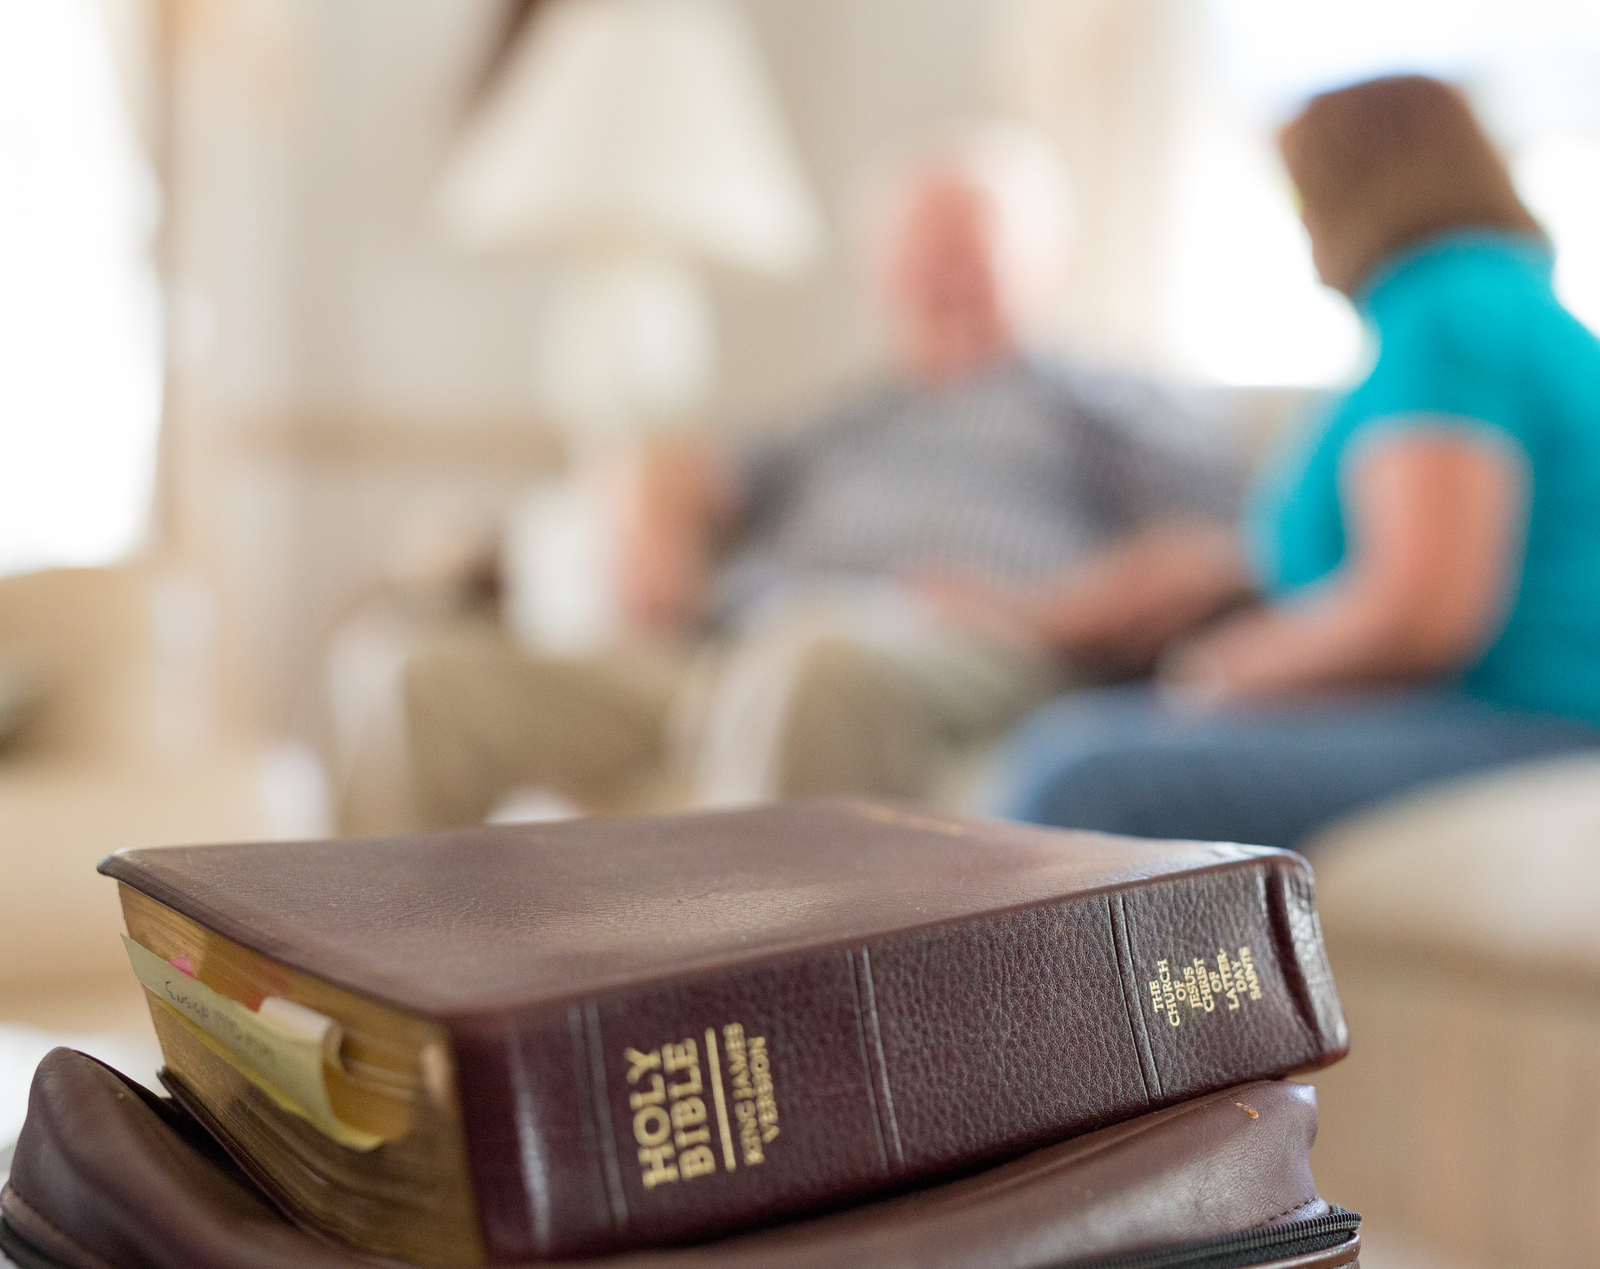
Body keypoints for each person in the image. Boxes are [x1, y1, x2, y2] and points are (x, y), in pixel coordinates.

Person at [395, 127, 1241, 827]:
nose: (944, 273)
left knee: (817, 655)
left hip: (963, 656)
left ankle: (735, 1019)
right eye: (922, 252)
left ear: (1043, 265)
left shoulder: (1104, 400)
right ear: (881, 274)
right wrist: (656, 533)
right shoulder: (848, 414)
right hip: (730, 658)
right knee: (427, 682)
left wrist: (1035, 612)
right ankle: (373, 1018)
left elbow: (1213, 555)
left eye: (969, 248)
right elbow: (677, 465)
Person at [985, 75, 1600, 849]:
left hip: (1519, 717)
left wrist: (1222, 672)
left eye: (1300, 191)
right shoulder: (1502, 299)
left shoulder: (1444, 306)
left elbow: (1424, 613)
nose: (1300, 221)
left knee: (1077, 770)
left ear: (1356, 185)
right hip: (1521, 711)